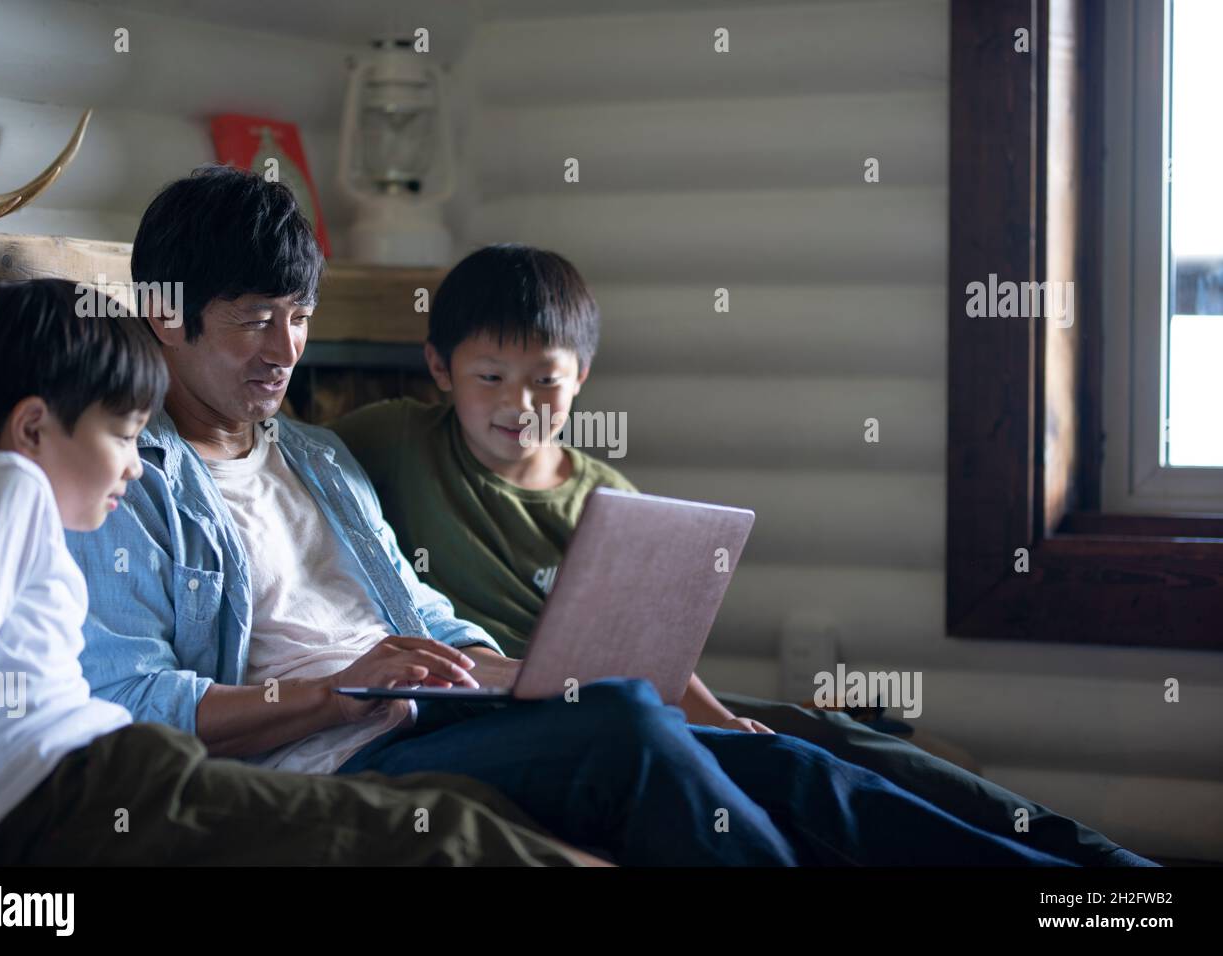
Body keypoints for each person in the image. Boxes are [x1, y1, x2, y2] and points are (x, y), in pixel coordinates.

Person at [69, 164, 1124, 866]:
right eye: (254, 320)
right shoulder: (125, 477)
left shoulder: (321, 454)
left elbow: (420, 607)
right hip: (337, 751)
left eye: (299, 316)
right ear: (165, 314)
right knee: (625, 728)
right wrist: (336, 693)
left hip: (440, 708)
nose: (285, 349)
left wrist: (483, 661)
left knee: (776, 752)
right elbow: (129, 696)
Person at [327, 242, 1156, 868]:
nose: (519, 405)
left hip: (628, 691)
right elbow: (278, 473)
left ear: (582, 378)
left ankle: (1098, 869)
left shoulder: (606, 497)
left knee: (846, 742)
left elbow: (649, 650)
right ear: (439, 370)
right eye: (490, 378)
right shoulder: (389, 440)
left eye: (545, 379)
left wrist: (722, 717)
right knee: (788, 763)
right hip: (540, 715)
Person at [0, 278, 598, 867]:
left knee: (458, 808)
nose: (135, 464)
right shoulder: (5, 486)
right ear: (34, 429)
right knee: (439, 834)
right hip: (84, 789)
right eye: (124, 435)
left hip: (109, 778)